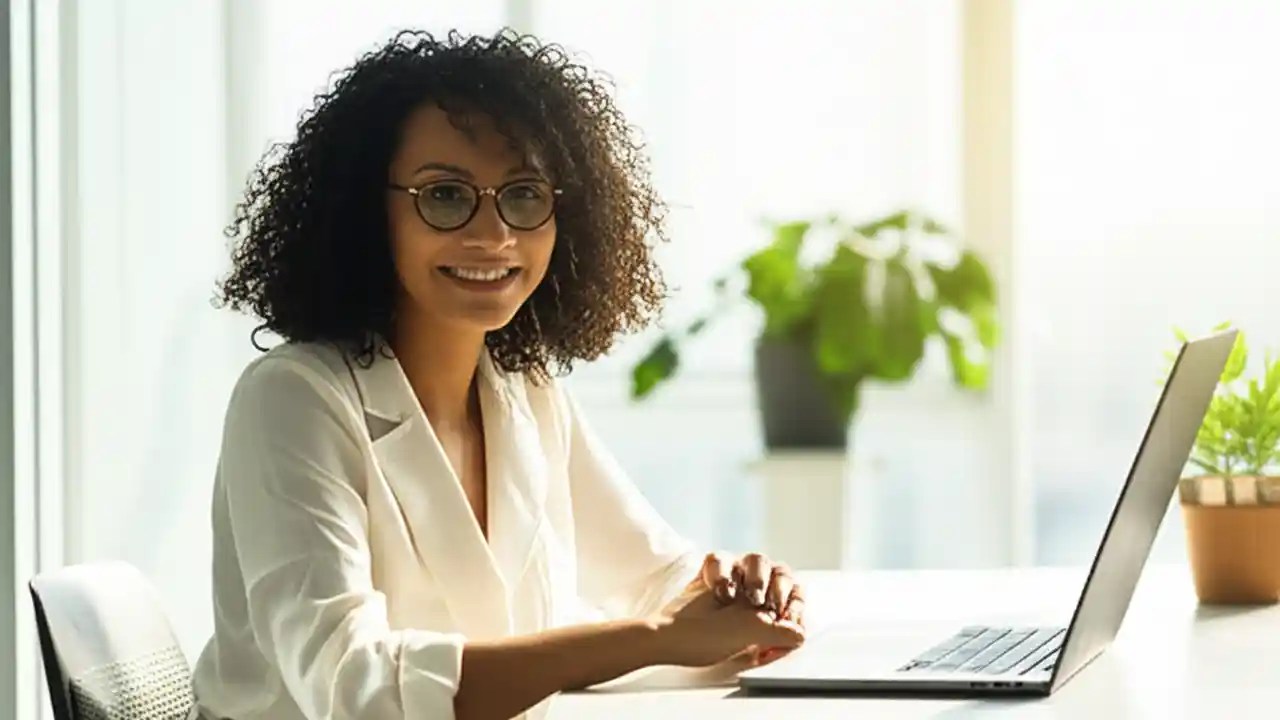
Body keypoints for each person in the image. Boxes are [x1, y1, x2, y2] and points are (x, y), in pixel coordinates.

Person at [192, 28, 807, 720]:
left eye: (523, 194)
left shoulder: (525, 390)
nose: (493, 236)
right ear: (367, 210)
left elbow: (657, 579)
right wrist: (655, 638)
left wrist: (740, 595)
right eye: (445, 196)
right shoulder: (293, 399)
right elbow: (356, 689)